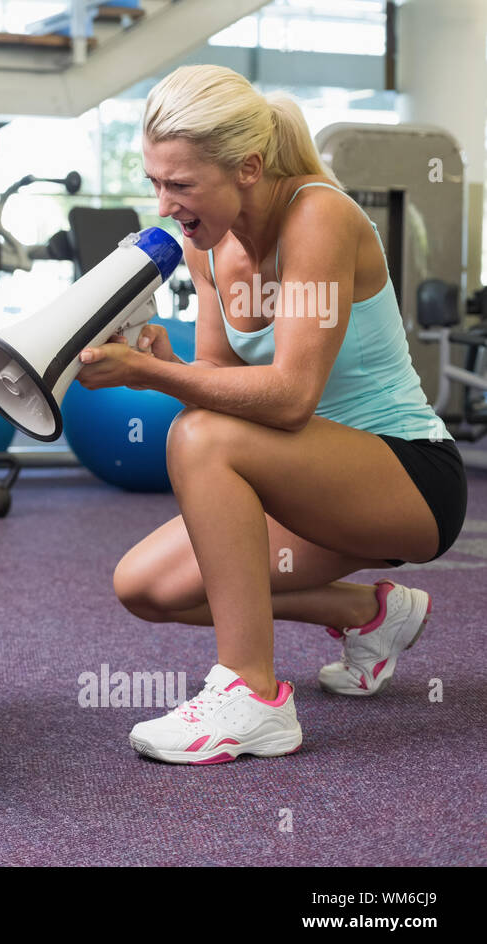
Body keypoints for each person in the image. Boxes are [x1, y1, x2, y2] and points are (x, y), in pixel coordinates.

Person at [78, 65, 467, 765]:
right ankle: (370, 615)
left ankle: (253, 699)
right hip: (306, 477)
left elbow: (289, 400)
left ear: (248, 167)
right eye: (156, 183)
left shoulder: (319, 215)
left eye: (181, 184)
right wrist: (168, 365)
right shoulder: (208, 247)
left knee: (196, 435)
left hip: (405, 476)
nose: (165, 205)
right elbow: (222, 386)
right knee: (145, 587)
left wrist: (157, 377)